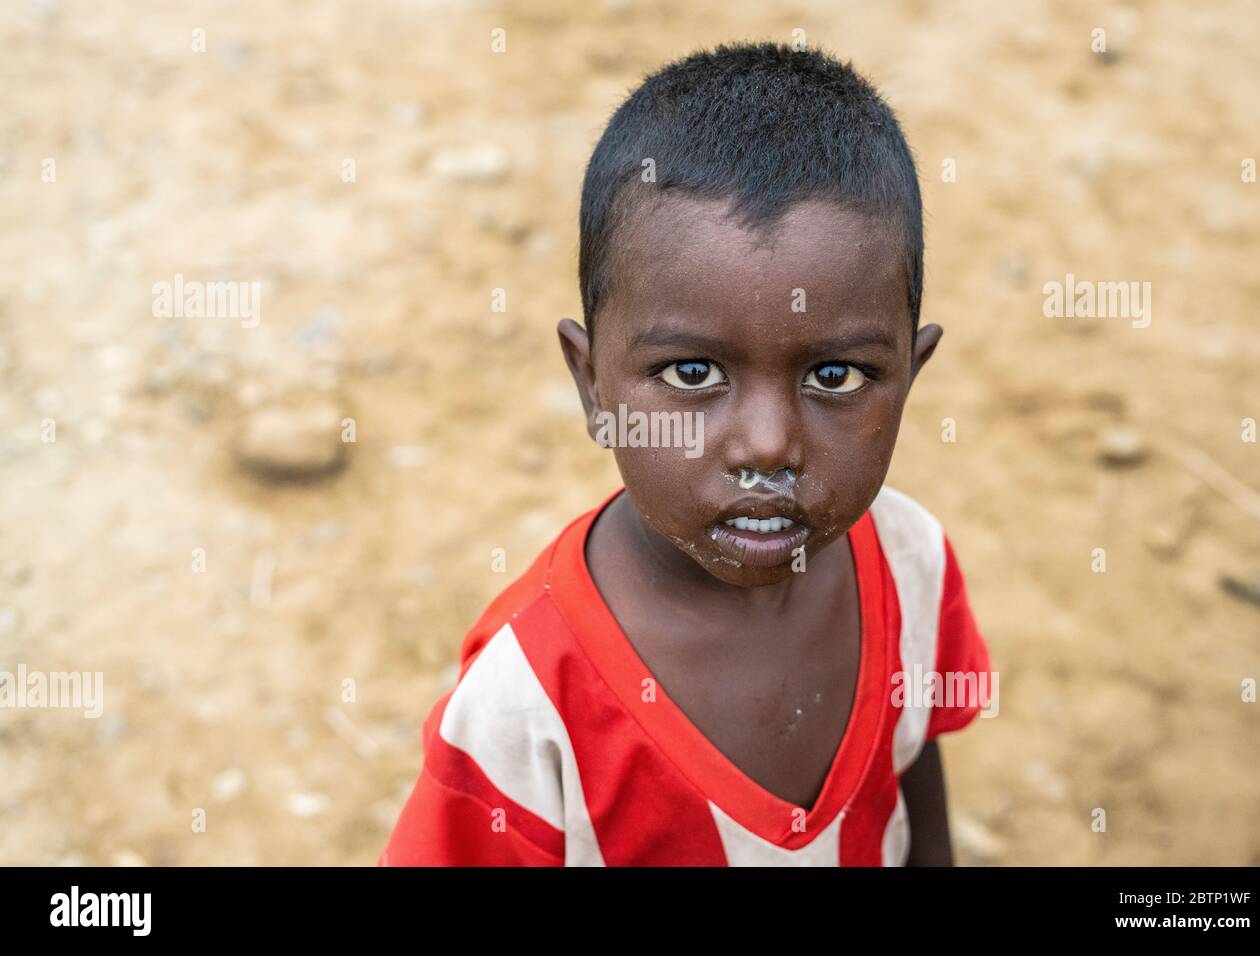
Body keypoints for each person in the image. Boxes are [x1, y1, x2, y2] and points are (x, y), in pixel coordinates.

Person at [381, 41, 994, 866]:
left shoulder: (910, 560)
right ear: (594, 386)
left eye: (836, 374)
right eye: (693, 372)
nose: (769, 444)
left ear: (910, 375)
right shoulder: (525, 703)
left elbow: (914, 781)